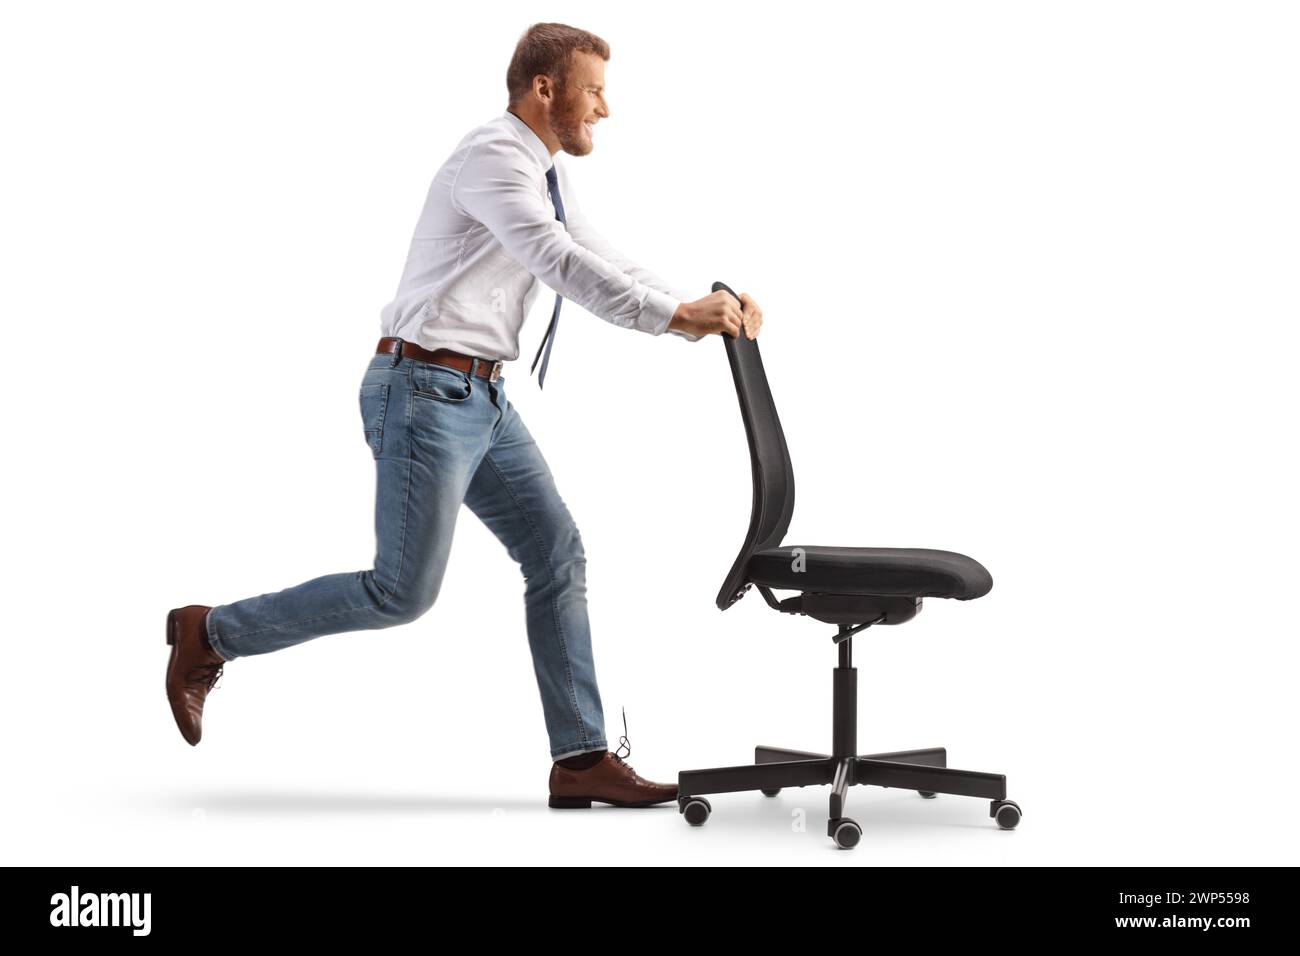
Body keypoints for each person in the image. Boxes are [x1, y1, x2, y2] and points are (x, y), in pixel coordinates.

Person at [166, 21, 764, 809]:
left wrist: (694, 302)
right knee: (400, 593)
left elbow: (595, 248)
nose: (606, 109)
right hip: (422, 392)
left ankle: (579, 757)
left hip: (480, 396)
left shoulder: (541, 171)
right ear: (545, 89)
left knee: (557, 555)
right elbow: (556, 262)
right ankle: (209, 633)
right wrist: (673, 317)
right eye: (594, 91)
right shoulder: (492, 158)